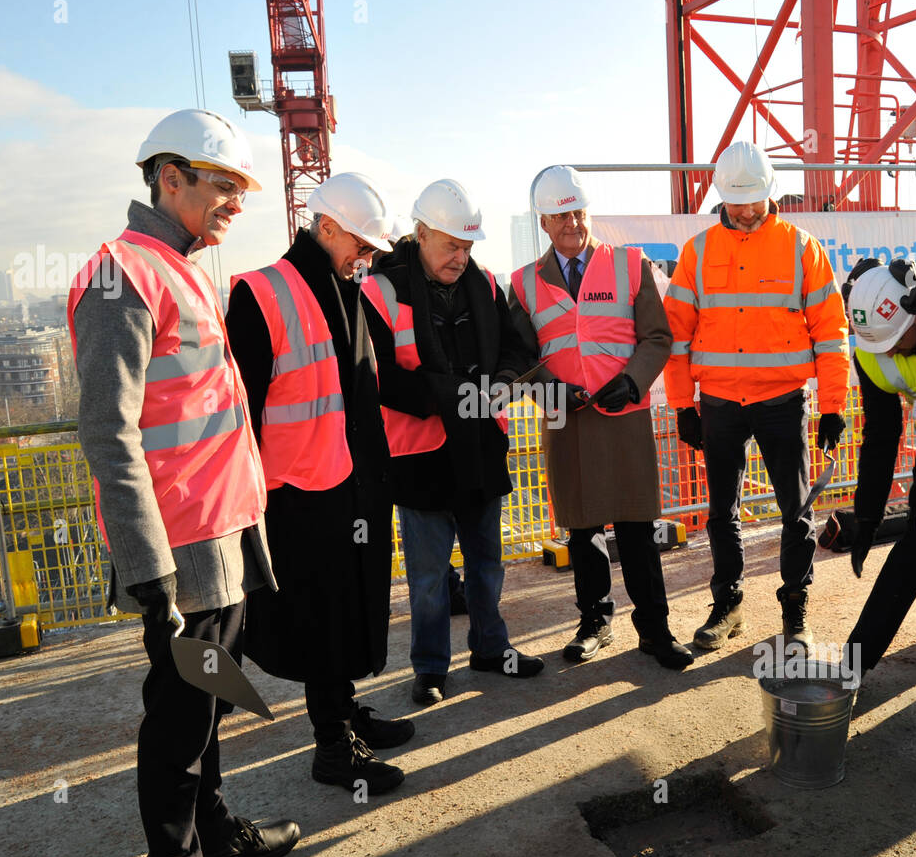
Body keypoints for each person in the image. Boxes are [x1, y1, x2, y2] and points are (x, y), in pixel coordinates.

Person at [68, 109, 298, 857]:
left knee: (210, 701)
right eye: (224, 184)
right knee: (179, 716)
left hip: (225, 526)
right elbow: (108, 431)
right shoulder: (120, 274)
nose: (238, 202)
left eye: (241, 188)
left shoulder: (195, 262)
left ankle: (216, 829)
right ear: (170, 178)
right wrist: (147, 571)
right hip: (179, 543)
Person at [227, 172, 413, 794]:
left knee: (352, 610)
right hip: (299, 498)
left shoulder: (347, 290)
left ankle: (344, 710)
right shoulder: (261, 294)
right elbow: (244, 413)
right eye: (360, 242)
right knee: (321, 618)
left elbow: (380, 380)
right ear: (325, 227)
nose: (367, 256)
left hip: (353, 489)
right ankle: (333, 747)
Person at [363, 179, 545, 706]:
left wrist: (508, 377)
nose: (461, 257)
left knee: (488, 563)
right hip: (421, 458)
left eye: (467, 247)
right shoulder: (381, 291)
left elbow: (514, 345)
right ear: (420, 234)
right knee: (428, 576)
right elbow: (379, 378)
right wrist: (456, 394)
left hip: (481, 449)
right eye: (451, 245)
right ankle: (430, 668)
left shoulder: (486, 285)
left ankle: (491, 649)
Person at [665, 141, 850, 655]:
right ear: (721, 196)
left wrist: (833, 406)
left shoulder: (801, 248)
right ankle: (728, 605)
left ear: (770, 193)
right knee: (721, 512)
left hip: (782, 402)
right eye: (735, 202)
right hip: (719, 403)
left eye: (753, 201)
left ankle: (795, 604)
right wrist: (683, 405)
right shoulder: (697, 252)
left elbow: (832, 334)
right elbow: (676, 337)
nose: (745, 212)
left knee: (797, 511)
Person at [508, 166, 692, 670]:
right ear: (543, 222)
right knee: (582, 531)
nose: (572, 223)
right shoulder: (522, 283)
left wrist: (633, 381)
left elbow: (658, 337)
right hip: (567, 421)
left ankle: (655, 630)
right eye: (560, 216)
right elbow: (520, 358)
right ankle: (594, 623)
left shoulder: (630, 265)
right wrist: (551, 391)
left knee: (637, 528)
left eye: (579, 212)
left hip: (624, 414)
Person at [839, 257, 916, 681]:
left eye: (893, 340)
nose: (886, 352)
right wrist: (867, 516)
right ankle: (855, 663)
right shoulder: (873, 346)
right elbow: (880, 435)